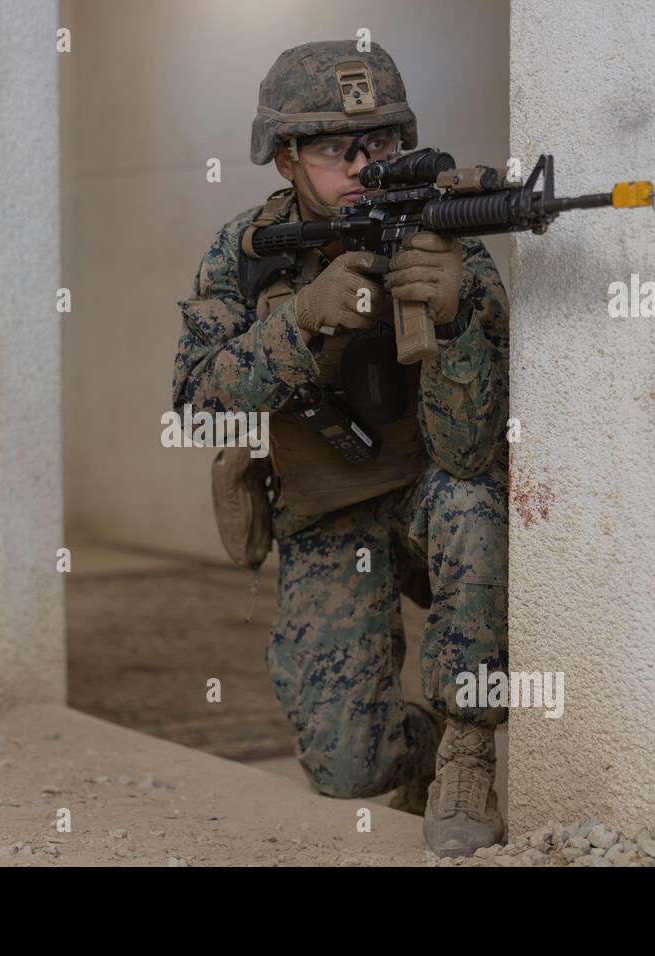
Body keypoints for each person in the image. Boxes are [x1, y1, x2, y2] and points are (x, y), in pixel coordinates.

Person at [171, 40, 510, 856]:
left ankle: (468, 752)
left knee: (473, 500)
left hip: (430, 493)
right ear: (285, 157)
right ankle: (421, 748)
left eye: (382, 144)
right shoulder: (243, 251)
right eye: (335, 148)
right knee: (349, 771)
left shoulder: (442, 235)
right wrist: (299, 323)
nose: (364, 164)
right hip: (326, 512)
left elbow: (469, 453)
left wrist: (456, 317)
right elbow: (197, 410)